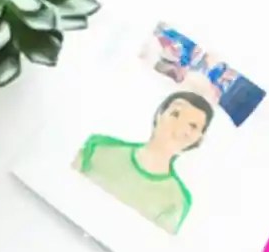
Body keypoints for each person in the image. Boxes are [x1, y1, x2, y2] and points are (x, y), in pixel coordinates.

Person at [73, 91, 215, 234]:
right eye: (175, 115)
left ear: (198, 140)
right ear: (160, 115)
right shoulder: (98, 147)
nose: (180, 128)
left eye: (192, 126)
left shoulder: (178, 201)